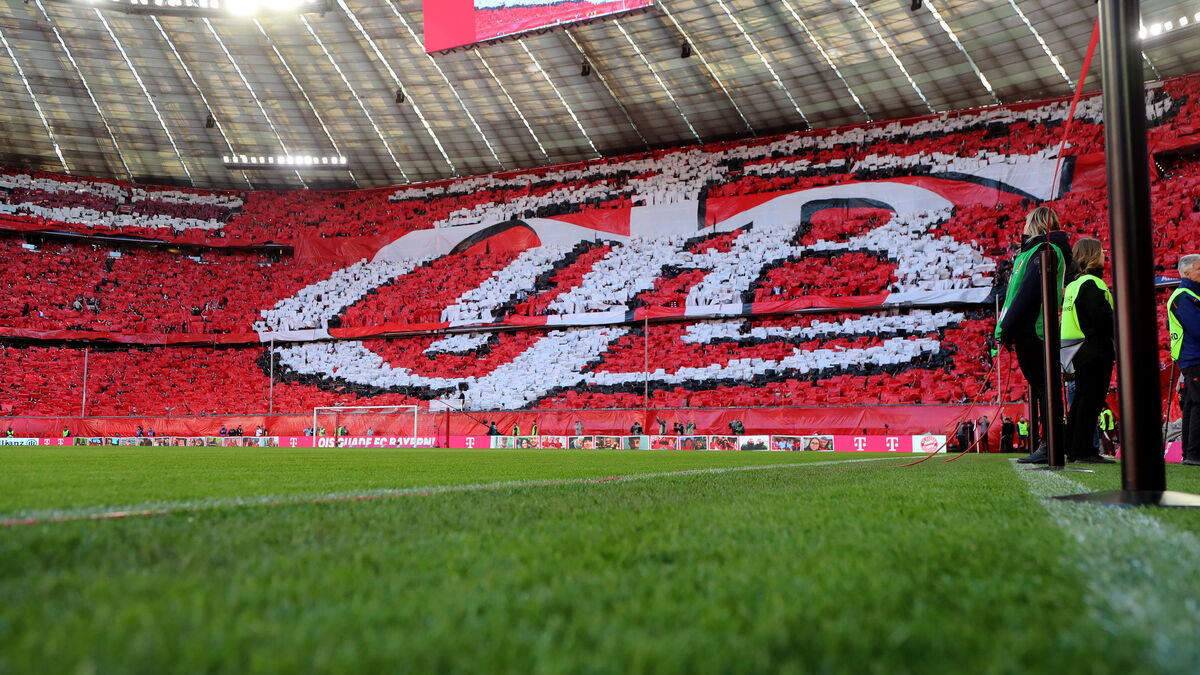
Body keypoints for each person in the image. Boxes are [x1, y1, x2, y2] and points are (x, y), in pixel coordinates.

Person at [997, 206, 1073, 464]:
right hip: (1033, 329)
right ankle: (1049, 444)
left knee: (1045, 389)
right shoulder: (1041, 251)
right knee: (1044, 388)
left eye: (1027, 223)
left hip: (1035, 330)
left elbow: (1027, 293)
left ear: (1036, 225)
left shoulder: (1044, 251)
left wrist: (1006, 327)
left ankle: (1049, 444)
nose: (1024, 228)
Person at [1060, 238, 1116, 463]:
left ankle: (1073, 446)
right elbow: (1103, 318)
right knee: (1090, 401)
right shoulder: (1093, 283)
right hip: (1094, 350)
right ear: (1093, 256)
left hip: (1078, 350)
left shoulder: (1073, 285)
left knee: (1083, 400)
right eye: (1101, 251)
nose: (1104, 254)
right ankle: (1082, 450)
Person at [1169, 253, 1200, 466]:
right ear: (1187, 272)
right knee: (1198, 404)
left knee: (1191, 404)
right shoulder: (1184, 295)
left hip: (1191, 357)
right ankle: (1194, 453)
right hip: (1194, 356)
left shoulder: (1188, 294)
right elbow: (1198, 328)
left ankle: (1190, 453)